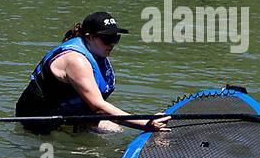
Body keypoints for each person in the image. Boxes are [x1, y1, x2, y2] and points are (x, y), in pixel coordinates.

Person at [15, 11, 170, 134]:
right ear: (89, 38)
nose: (112, 43)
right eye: (106, 38)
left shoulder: (95, 52)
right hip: (40, 120)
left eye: (116, 37)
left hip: (72, 115)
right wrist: (145, 123)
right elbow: (98, 107)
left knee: (116, 131)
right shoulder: (76, 61)